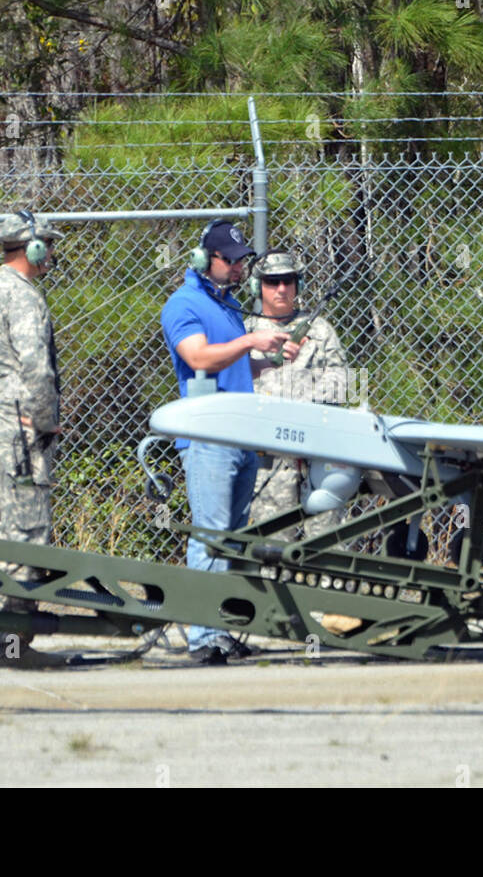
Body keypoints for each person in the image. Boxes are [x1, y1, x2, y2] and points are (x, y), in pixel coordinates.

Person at [160, 220, 293, 664]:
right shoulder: (184, 305)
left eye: (242, 261)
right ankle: (201, 637)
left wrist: (268, 357)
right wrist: (250, 338)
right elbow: (197, 357)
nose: (239, 268)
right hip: (209, 437)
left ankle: (224, 630)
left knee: (233, 539)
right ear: (204, 260)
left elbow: (232, 366)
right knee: (211, 535)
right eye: (230, 260)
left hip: (240, 435)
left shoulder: (229, 307)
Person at [0, 211, 66, 668]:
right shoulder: (26, 300)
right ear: (34, 248)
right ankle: (12, 649)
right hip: (20, 433)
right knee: (26, 538)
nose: (51, 252)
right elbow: (36, 369)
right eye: (46, 243)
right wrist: (46, 421)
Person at [246, 251, 351, 541]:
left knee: (326, 541)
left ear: (298, 285)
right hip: (270, 459)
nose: (281, 289)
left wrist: (299, 400)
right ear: (258, 287)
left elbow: (344, 384)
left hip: (317, 451)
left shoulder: (320, 331)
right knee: (273, 543)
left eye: (288, 281)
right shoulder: (247, 334)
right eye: (272, 281)